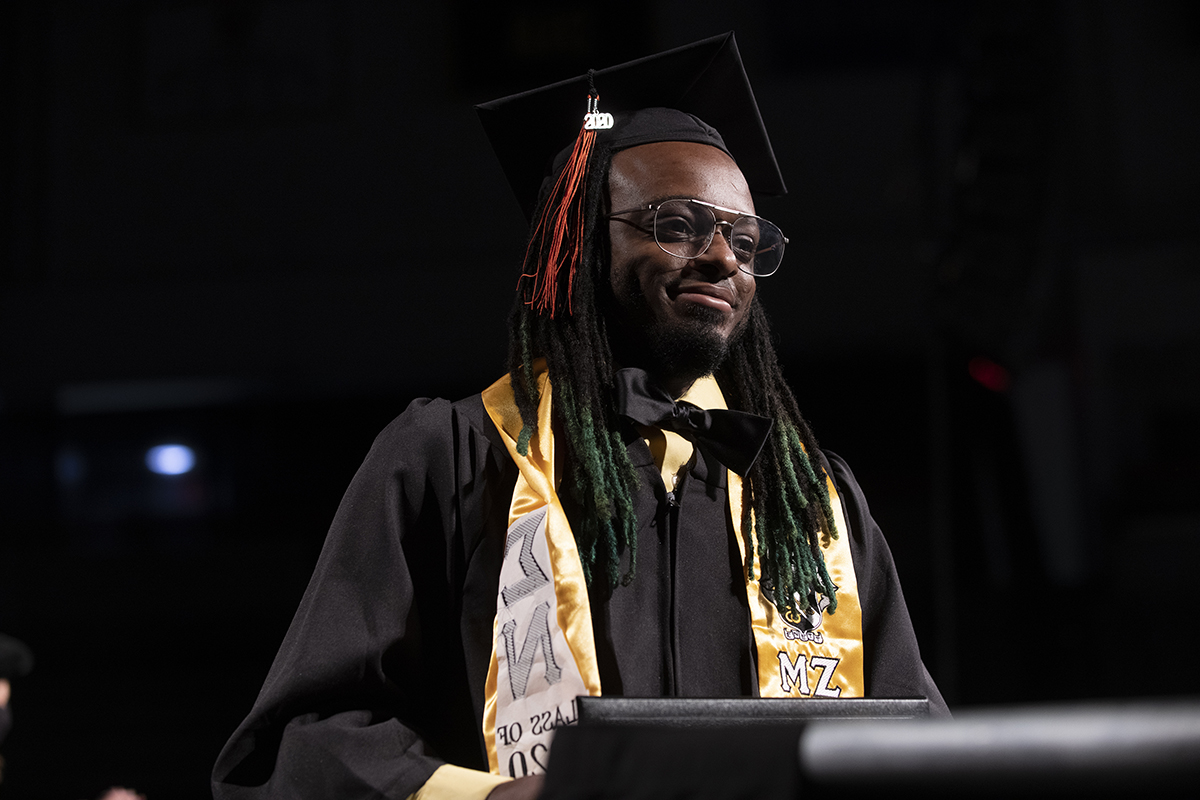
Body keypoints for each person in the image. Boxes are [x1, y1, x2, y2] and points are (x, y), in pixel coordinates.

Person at [213, 33, 947, 800]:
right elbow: (305, 744)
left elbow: (918, 751)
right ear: (581, 244)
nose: (723, 258)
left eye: (743, 238)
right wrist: (489, 798)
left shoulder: (809, 502)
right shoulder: (453, 456)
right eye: (677, 224)